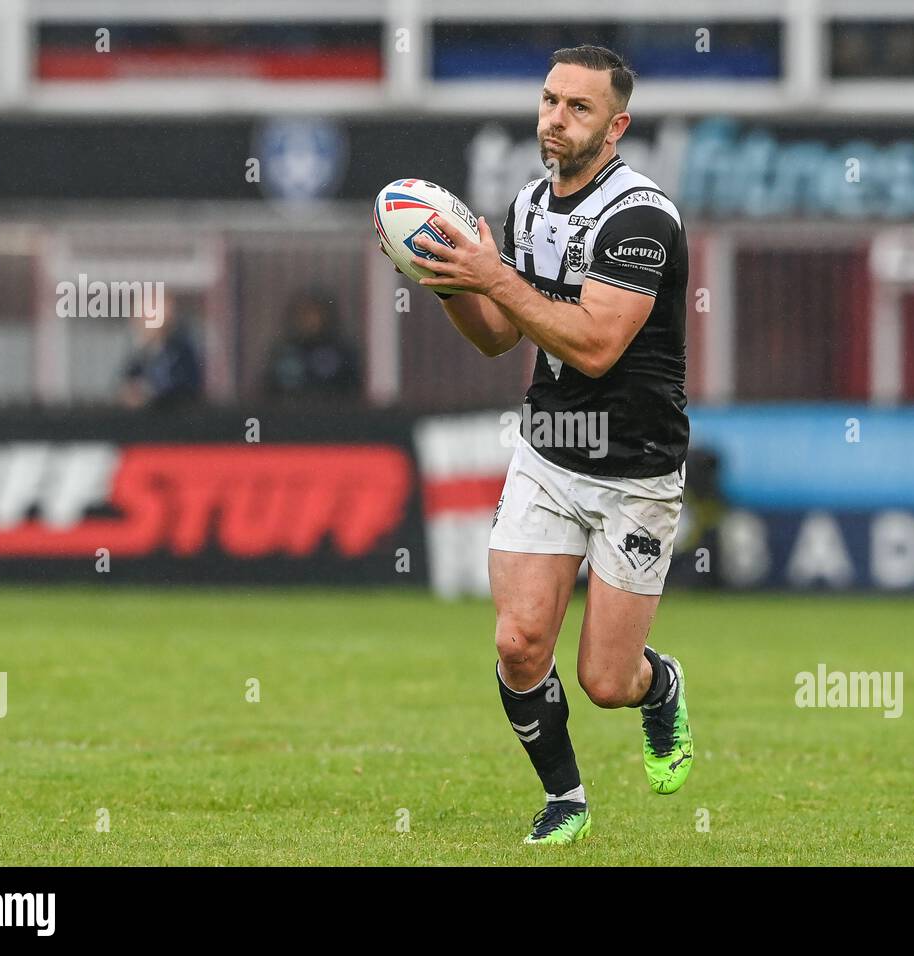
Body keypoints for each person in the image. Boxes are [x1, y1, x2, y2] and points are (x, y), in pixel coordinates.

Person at [385, 45, 692, 845]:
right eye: (551, 100)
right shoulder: (526, 206)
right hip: (549, 449)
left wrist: (492, 277)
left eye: (579, 108)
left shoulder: (641, 217)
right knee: (520, 643)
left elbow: (594, 346)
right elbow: (497, 336)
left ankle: (658, 688)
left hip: (636, 469)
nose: (556, 118)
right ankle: (566, 800)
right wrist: (445, 276)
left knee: (604, 680)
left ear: (616, 125)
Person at [265, 292, 361, 398]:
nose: (309, 320)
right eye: (304, 314)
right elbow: (268, 390)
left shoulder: (341, 352)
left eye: (315, 314)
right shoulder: (284, 352)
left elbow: (352, 390)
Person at [118, 298, 202, 410]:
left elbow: (183, 391)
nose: (138, 322)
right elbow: (126, 387)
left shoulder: (180, 354)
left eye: (143, 316)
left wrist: (148, 393)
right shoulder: (141, 357)